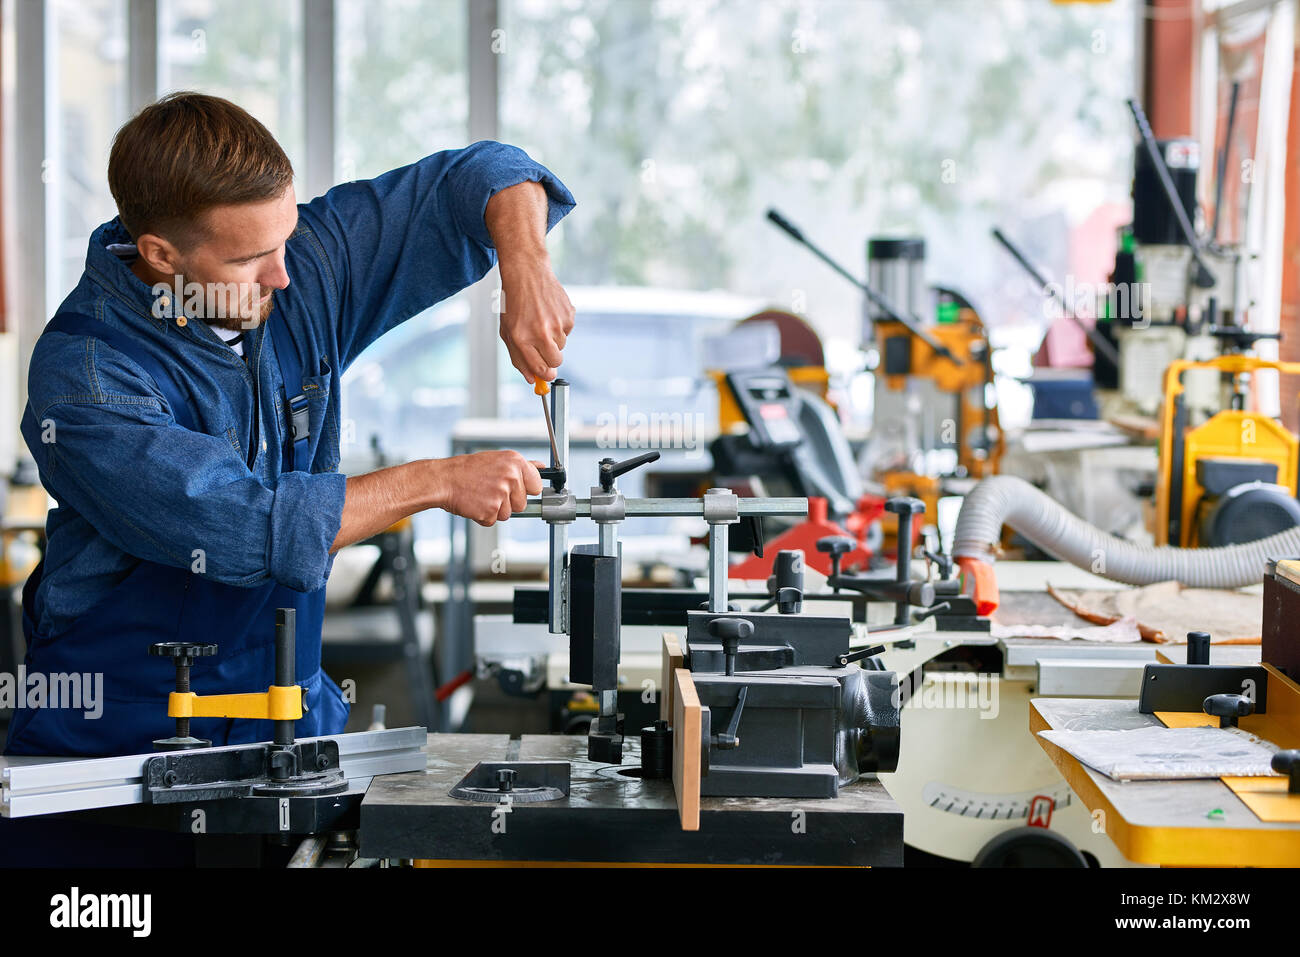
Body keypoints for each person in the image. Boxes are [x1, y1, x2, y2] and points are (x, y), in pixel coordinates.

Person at [6, 91, 576, 756]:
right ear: (160, 255)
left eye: (284, 239)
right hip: (118, 736)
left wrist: (526, 267)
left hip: (285, 718)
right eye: (249, 259)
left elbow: (486, 174)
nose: (285, 275)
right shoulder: (86, 373)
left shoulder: (298, 267)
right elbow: (247, 527)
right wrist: (439, 482)